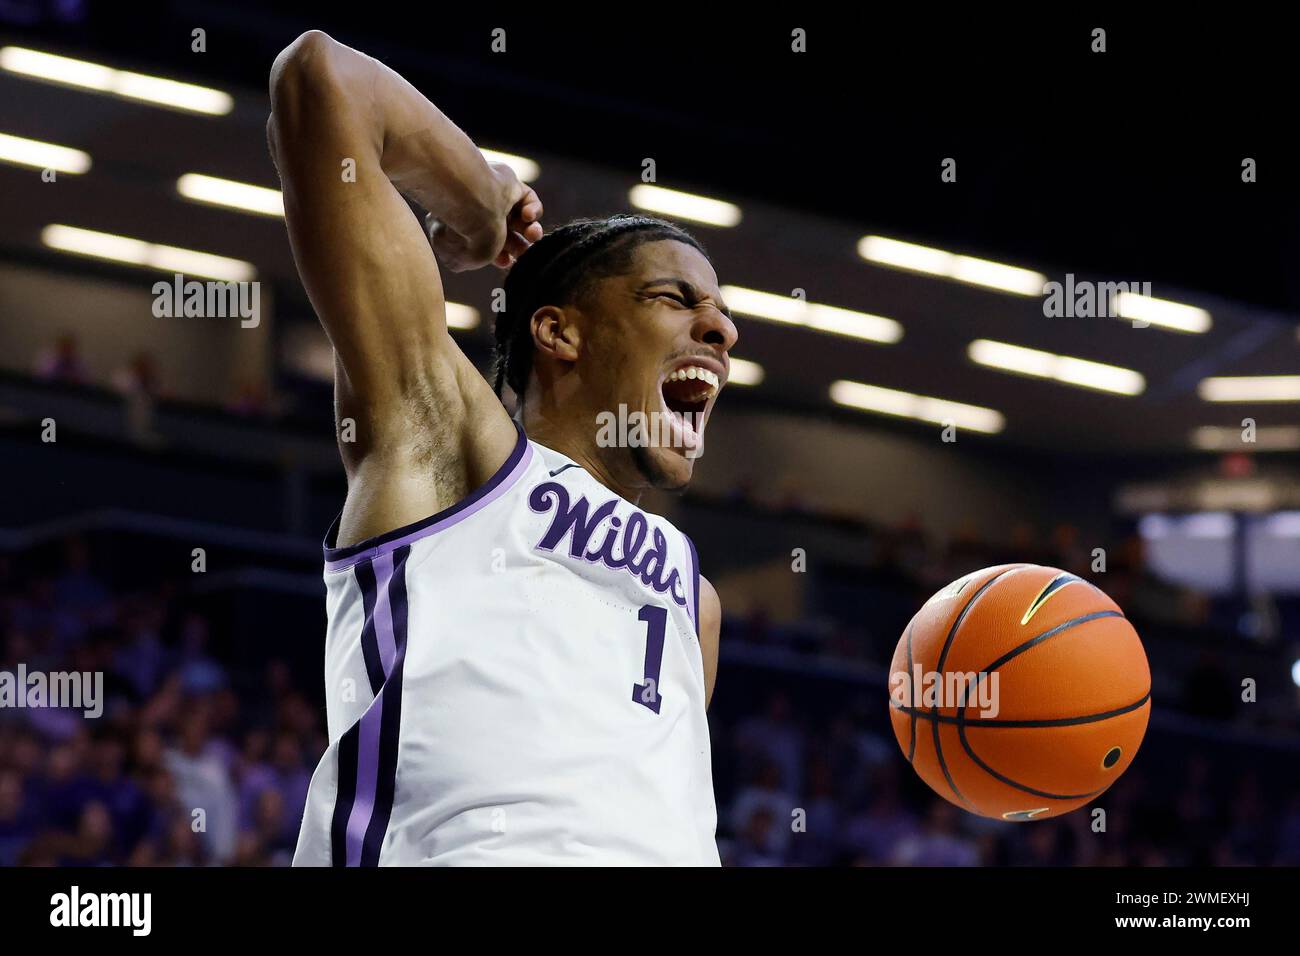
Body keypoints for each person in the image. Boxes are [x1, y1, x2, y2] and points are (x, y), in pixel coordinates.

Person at [268, 30, 737, 865]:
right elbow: (319, 84)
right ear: (558, 332)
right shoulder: (456, 450)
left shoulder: (694, 600)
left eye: (723, 316)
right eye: (676, 298)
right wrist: (477, 193)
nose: (723, 328)